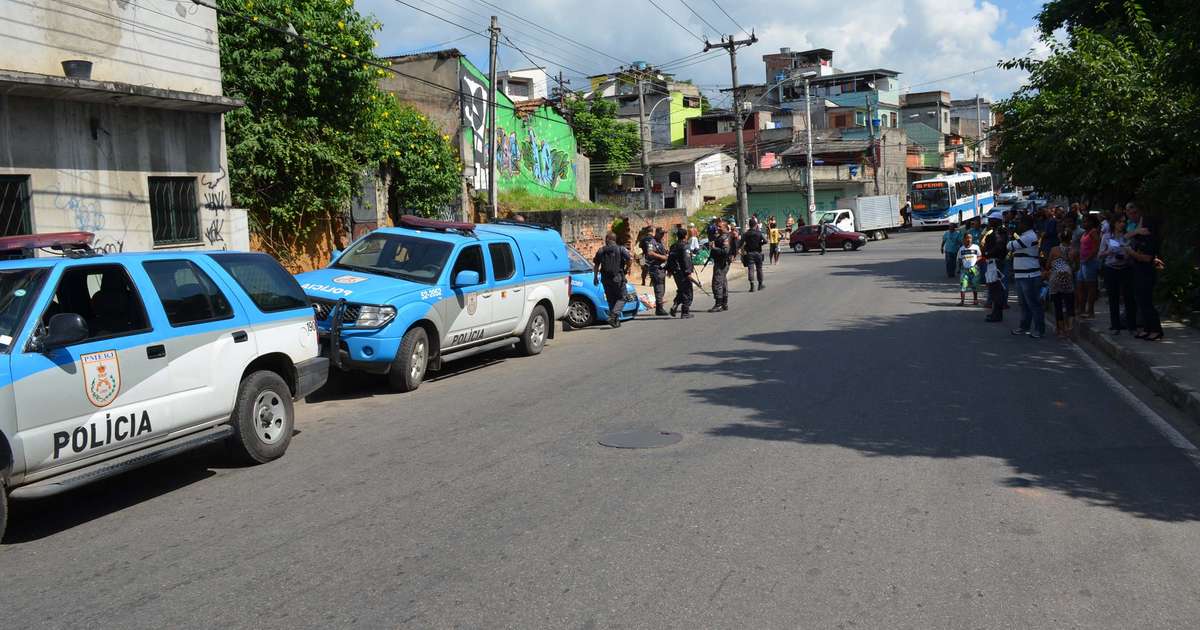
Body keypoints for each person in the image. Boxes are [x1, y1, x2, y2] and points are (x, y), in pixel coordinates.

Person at [1126, 216, 1164, 341]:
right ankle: (1147, 328)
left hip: (1146, 273)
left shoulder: (1150, 239)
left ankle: (1156, 329)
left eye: (1141, 224)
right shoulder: (1140, 238)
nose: (1138, 226)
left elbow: (1147, 258)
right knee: (1141, 301)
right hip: (1138, 272)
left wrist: (1132, 253)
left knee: (1147, 302)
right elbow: (1124, 237)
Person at [1008, 214, 1046, 338]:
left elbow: (1010, 246)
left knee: (1033, 304)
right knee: (1023, 304)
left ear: (1025, 224)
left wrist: (1012, 237)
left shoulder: (1029, 237)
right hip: (1021, 275)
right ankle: (1024, 327)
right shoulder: (1025, 236)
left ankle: (1039, 330)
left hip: (1029, 275)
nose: (1018, 225)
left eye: (1020, 223)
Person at [1100, 219, 1134, 334]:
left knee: (1128, 297)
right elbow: (1100, 254)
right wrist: (1108, 252)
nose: (1122, 224)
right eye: (1119, 221)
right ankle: (1115, 326)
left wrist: (1127, 255)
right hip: (1111, 268)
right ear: (1114, 223)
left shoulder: (1127, 235)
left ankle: (1131, 326)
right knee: (1113, 298)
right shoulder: (1107, 236)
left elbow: (1132, 251)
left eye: (1123, 222)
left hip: (1125, 268)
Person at [592, 231, 631, 328]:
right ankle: (613, 316)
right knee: (623, 297)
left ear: (609, 239)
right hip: (618, 278)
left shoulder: (601, 250)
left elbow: (596, 265)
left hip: (605, 278)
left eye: (606, 238)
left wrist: (595, 277)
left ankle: (614, 321)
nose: (605, 240)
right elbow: (630, 259)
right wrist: (627, 268)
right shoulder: (621, 249)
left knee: (611, 299)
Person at [1047, 232, 1075, 338]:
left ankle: (1061, 331)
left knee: (1058, 305)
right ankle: (1070, 328)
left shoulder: (1054, 249)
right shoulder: (1073, 250)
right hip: (1068, 279)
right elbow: (1075, 266)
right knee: (1069, 304)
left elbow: (1048, 264)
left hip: (1056, 279)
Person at [982, 219, 1009, 322]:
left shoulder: (999, 233)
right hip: (992, 262)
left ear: (996, 221)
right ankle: (995, 313)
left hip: (996, 262)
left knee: (996, 289)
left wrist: (988, 253)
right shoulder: (993, 231)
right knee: (993, 289)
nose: (989, 222)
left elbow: (999, 247)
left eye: (991, 220)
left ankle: (997, 315)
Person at [1076, 214, 1101, 319]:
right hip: (1083, 263)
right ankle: (1082, 310)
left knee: (1091, 288)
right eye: (1084, 221)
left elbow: (1096, 248)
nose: (1084, 223)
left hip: (1090, 263)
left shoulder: (1093, 232)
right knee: (1081, 286)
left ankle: (1090, 311)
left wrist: (1087, 258)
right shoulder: (1085, 232)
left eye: (1086, 221)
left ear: (1092, 222)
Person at [666, 227, 695, 319]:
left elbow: (670, 259)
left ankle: (675, 305)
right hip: (683, 272)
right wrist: (688, 272)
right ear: (686, 236)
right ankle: (685, 312)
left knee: (681, 290)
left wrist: (669, 270)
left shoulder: (673, 246)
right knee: (687, 291)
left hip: (675, 272)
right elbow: (686, 260)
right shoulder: (685, 246)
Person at [644, 227, 669, 316]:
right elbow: (650, 253)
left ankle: (659, 307)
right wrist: (662, 257)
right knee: (659, 288)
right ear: (657, 233)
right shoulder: (652, 242)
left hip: (661, 269)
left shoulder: (660, 242)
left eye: (663, 234)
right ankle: (659, 309)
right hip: (656, 269)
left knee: (662, 289)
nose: (662, 235)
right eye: (661, 233)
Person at [707, 219, 732, 312]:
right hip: (720, 262)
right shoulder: (720, 236)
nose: (717, 228)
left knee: (717, 283)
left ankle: (719, 304)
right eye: (717, 226)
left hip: (722, 263)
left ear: (725, 227)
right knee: (723, 282)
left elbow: (725, 251)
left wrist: (714, 248)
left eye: (720, 226)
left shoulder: (725, 238)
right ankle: (724, 303)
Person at [957, 233, 982, 306]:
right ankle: (962, 301)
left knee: (975, 284)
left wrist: (975, 261)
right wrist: (959, 269)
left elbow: (980, 256)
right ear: (964, 239)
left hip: (974, 269)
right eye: (967, 238)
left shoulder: (976, 247)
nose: (969, 240)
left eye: (970, 238)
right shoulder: (961, 249)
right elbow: (959, 259)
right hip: (964, 270)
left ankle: (975, 300)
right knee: (963, 284)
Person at [741, 220, 766, 291]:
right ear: (755, 225)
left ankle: (752, 285)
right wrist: (759, 244)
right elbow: (765, 241)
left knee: (750, 269)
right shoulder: (759, 233)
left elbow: (740, 243)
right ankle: (760, 284)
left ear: (749, 225)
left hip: (749, 253)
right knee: (759, 268)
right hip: (758, 253)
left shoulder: (746, 234)